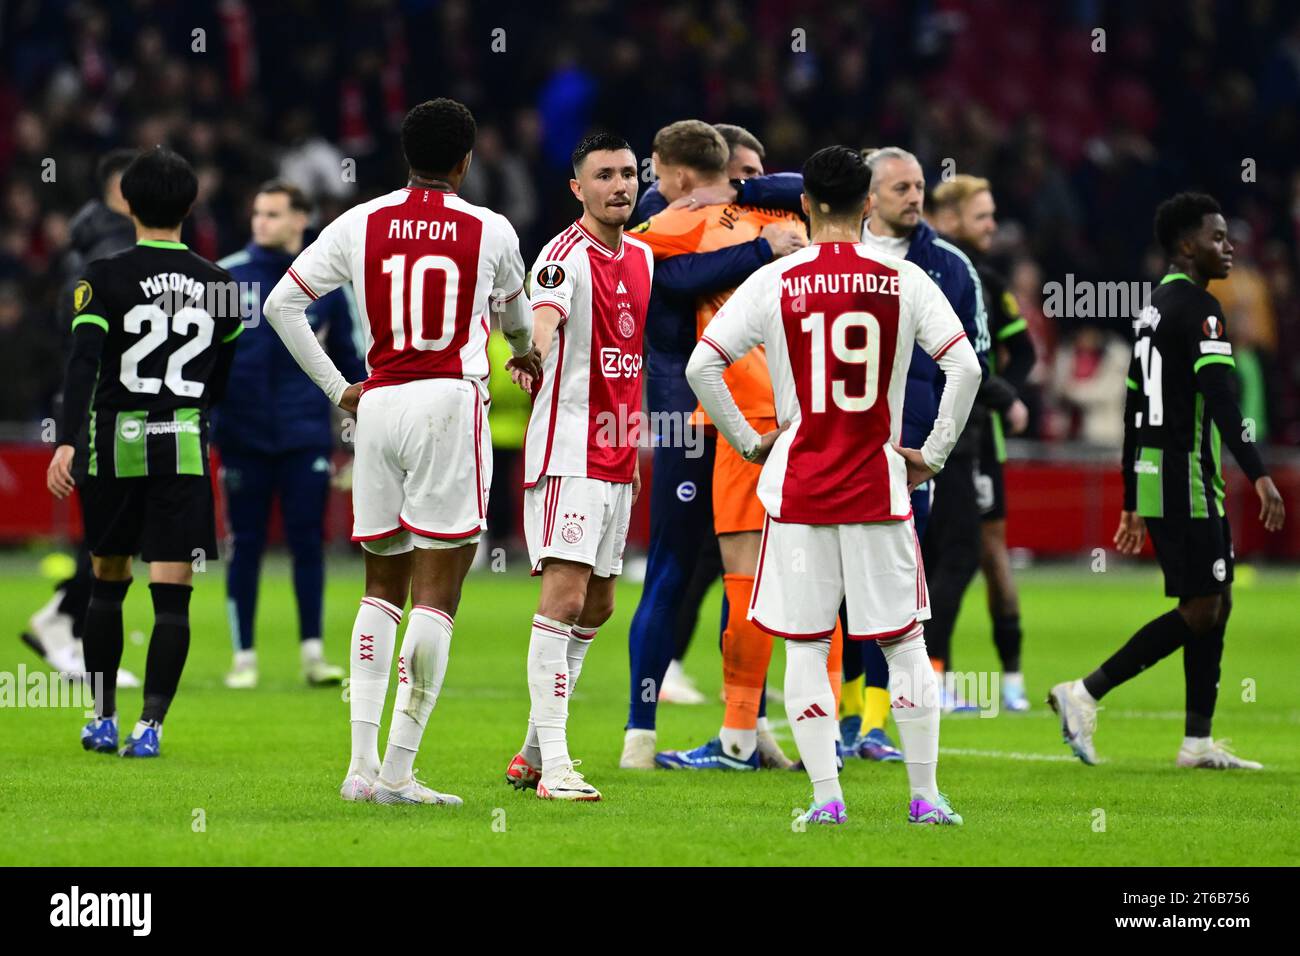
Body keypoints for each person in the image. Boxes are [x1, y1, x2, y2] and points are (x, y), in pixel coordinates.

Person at [686, 145, 981, 824]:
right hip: (880, 488)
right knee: (904, 641)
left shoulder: (776, 279)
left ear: (807, 207)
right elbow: (964, 369)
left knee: (808, 644)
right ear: (868, 204)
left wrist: (750, 440)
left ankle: (826, 799)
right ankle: (926, 795)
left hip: (800, 491)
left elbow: (706, 366)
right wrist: (932, 453)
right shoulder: (901, 277)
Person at [264, 98, 538, 805]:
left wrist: (338, 388)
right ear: (466, 159)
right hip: (448, 402)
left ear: (405, 156)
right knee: (437, 595)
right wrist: (527, 352)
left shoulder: (360, 221)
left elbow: (280, 306)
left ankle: (358, 768)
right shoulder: (490, 228)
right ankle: (398, 771)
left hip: (377, 405)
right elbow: (516, 323)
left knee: (379, 588)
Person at [627, 120, 840, 773]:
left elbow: (813, 184)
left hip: (742, 418)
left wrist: (742, 192)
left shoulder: (751, 212)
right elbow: (664, 277)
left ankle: (744, 726)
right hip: (696, 418)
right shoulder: (669, 221)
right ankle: (653, 730)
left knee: (740, 574)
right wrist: (757, 245)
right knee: (688, 569)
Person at [1049, 192, 1285, 770]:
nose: (1228, 247)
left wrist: (1132, 496)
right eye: (1218, 237)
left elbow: (1135, 409)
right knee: (1203, 607)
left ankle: (1197, 742)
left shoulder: (1151, 310)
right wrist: (1260, 474)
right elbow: (1223, 401)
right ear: (1187, 245)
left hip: (1162, 476)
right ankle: (1083, 693)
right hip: (1187, 477)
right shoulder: (1202, 310)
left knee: (1217, 599)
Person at [48, 146, 244, 758]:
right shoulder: (223, 287)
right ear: (192, 204)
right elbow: (220, 377)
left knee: (108, 582)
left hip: (112, 448)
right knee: (173, 593)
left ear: (126, 202)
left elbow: (82, 366)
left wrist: (67, 443)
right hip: (183, 449)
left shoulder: (100, 279)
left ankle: (102, 717)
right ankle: (151, 727)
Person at [502, 133, 653, 801]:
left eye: (628, 173)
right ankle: (557, 767)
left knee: (599, 604)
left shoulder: (644, 257)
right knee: (563, 600)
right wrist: (529, 352)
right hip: (568, 452)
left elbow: (629, 361)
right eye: (604, 176)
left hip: (617, 454)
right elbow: (543, 319)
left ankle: (534, 749)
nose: (619, 185)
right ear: (577, 187)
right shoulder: (561, 258)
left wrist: (634, 448)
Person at [214, 180, 366, 689]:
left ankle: (312, 653)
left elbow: (349, 365)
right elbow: (207, 361)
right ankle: (244, 656)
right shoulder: (227, 277)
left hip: (304, 435)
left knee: (307, 542)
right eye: (258, 212)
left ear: (301, 220)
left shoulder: (326, 286)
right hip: (241, 435)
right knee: (246, 544)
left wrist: (361, 430)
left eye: (274, 213)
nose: (262, 222)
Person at [23, 148, 140, 689]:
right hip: (105, 407)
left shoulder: (91, 247)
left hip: (97, 405)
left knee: (111, 530)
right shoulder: (111, 255)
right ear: (120, 191)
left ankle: (65, 625)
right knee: (111, 533)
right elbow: (88, 348)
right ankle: (68, 627)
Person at [930, 175, 1035, 710]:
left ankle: (1010, 677)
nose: (992, 224)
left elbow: (1027, 355)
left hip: (978, 434)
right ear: (947, 218)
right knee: (947, 550)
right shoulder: (936, 272)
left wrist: (1002, 400)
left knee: (986, 550)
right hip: (935, 429)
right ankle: (931, 676)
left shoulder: (989, 282)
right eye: (981, 215)